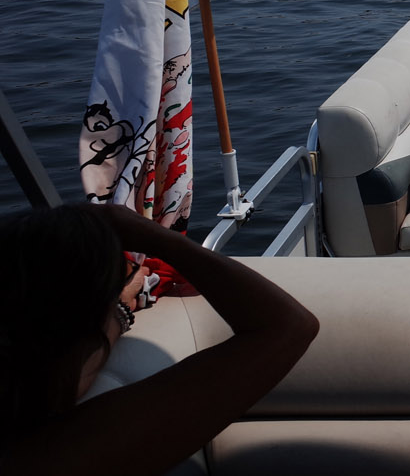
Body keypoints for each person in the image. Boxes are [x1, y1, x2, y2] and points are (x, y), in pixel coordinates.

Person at [0, 203, 319, 476]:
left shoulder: (26, 400)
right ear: (71, 335)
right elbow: (288, 325)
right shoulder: (62, 453)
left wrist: (120, 305)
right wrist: (153, 236)